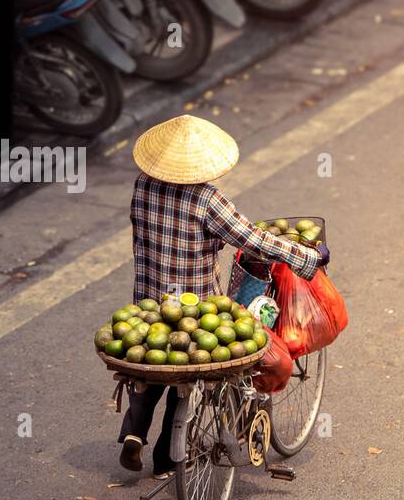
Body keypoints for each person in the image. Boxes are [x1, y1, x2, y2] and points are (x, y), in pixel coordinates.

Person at [117, 115, 329, 478]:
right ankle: (167, 461)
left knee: (154, 366)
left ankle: (134, 434)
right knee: (188, 375)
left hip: (149, 303)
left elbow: (147, 236)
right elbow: (254, 239)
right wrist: (307, 256)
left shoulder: (143, 186)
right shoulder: (207, 199)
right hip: (197, 310)